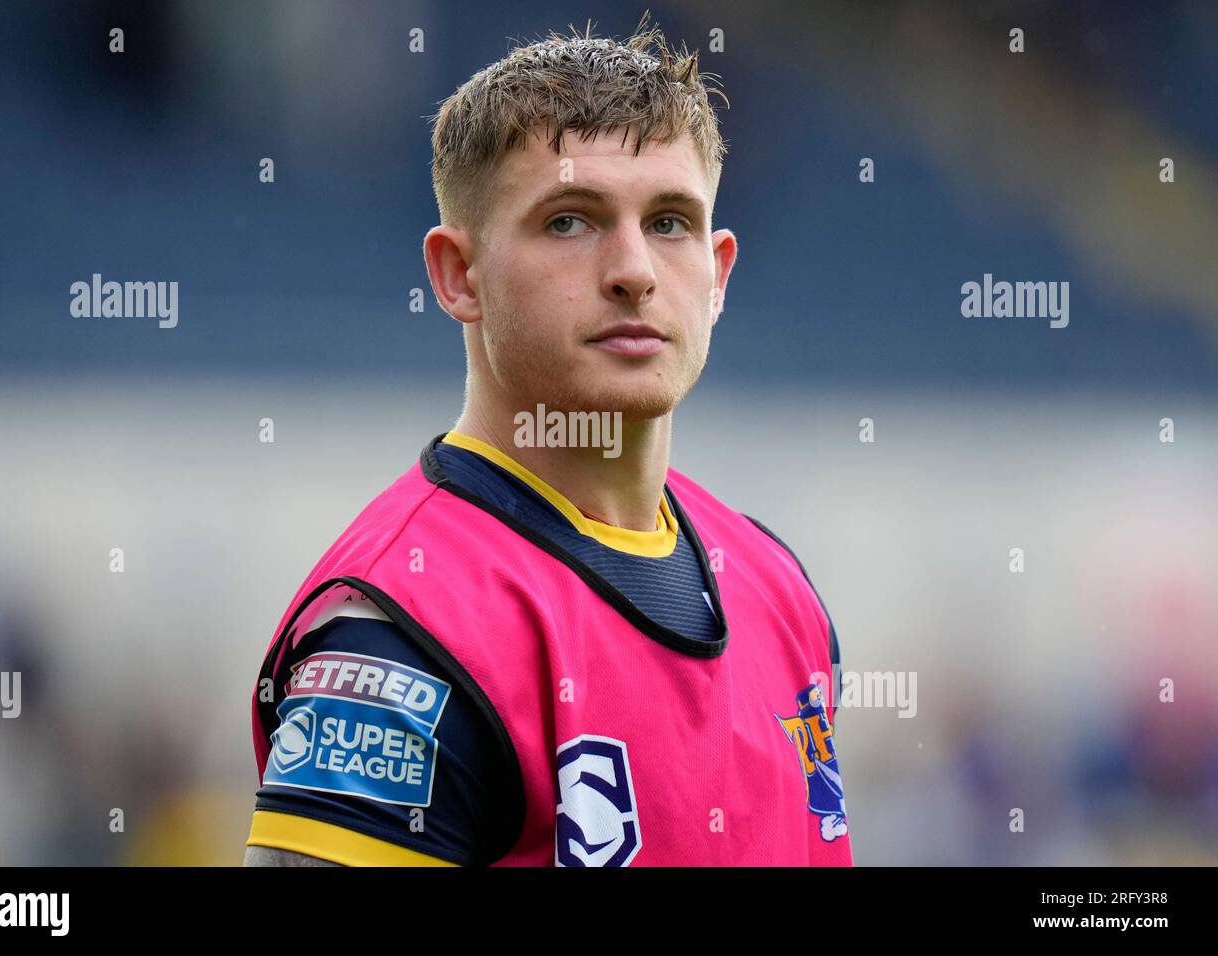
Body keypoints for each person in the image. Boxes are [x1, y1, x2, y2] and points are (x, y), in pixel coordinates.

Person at [245, 15, 850, 867]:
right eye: (570, 221)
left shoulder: (778, 591)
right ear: (460, 275)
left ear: (719, 274)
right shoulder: (402, 634)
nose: (634, 269)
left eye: (670, 222)